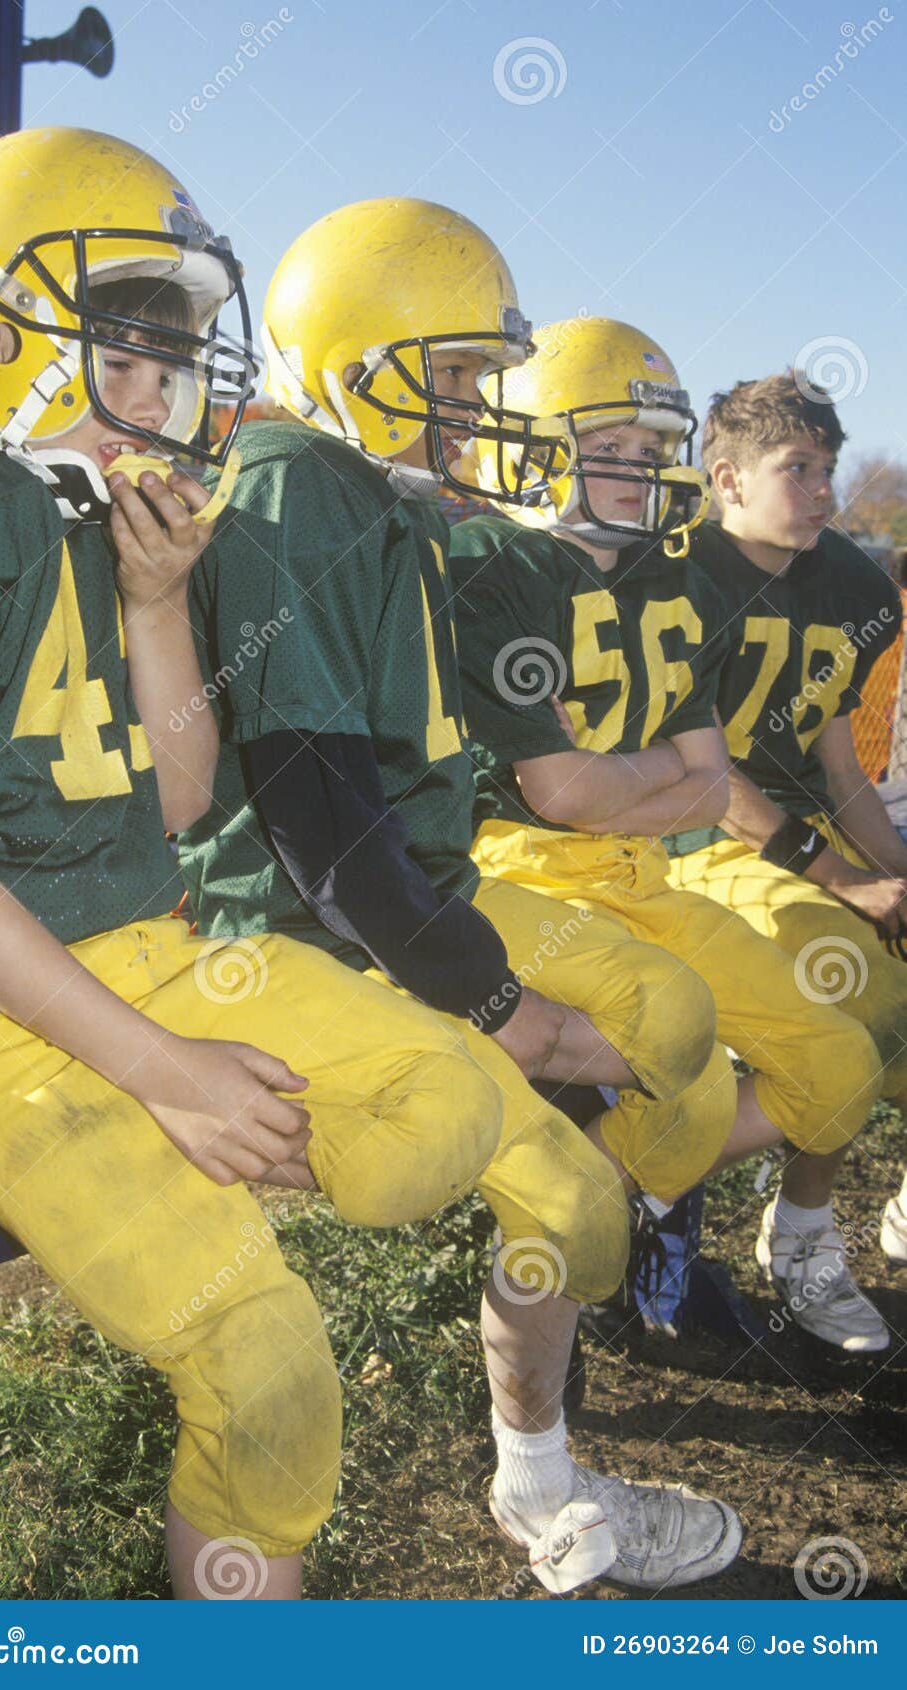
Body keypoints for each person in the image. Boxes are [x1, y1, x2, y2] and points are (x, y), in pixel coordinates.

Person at [0, 128, 509, 1602]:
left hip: (111, 934)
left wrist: (157, 601)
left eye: (178, 360)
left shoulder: (103, 518)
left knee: (448, 1105)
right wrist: (164, 1070)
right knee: (267, 1354)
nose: (162, 396)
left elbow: (182, 792)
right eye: (128, 356)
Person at [179, 200, 742, 1593]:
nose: (475, 411)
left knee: (607, 1143)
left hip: (400, 902)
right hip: (307, 933)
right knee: (556, 1186)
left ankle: (535, 1463)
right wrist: (499, 1001)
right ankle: (531, 1481)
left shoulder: (381, 499)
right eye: (448, 381)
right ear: (341, 358)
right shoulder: (295, 482)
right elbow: (317, 816)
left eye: (479, 382)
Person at [447, 318, 885, 1355]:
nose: (635, 474)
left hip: (640, 873)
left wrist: (623, 784)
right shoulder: (491, 567)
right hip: (522, 875)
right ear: (530, 443)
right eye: (608, 449)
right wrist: (651, 782)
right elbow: (556, 799)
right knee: (674, 1047)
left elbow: (698, 789)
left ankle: (601, 1193)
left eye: (648, 452)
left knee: (836, 1065)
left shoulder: (664, 578)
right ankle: (566, 1229)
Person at [660, 374, 907, 1282]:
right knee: (870, 997)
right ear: (726, 480)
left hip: (800, 829)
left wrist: (894, 869)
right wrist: (848, 886)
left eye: (829, 469)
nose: (823, 492)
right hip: (693, 837)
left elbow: (841, 769)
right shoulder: (673, 570)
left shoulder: (845, 579)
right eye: (796, 468)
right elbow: (710, 782)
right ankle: (796, 1235)